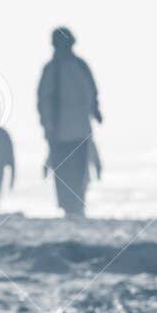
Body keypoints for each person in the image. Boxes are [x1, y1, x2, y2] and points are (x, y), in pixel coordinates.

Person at [37, 27, 102, 219]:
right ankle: (70, 209)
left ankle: (77, 207)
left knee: (79, 172)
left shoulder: (80, 66)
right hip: (60, 133)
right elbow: (44, 101)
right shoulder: (52, 69)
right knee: (64, 174)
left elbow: (92, 91)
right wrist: (48, 127)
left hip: (80, 130)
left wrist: (95, 110)